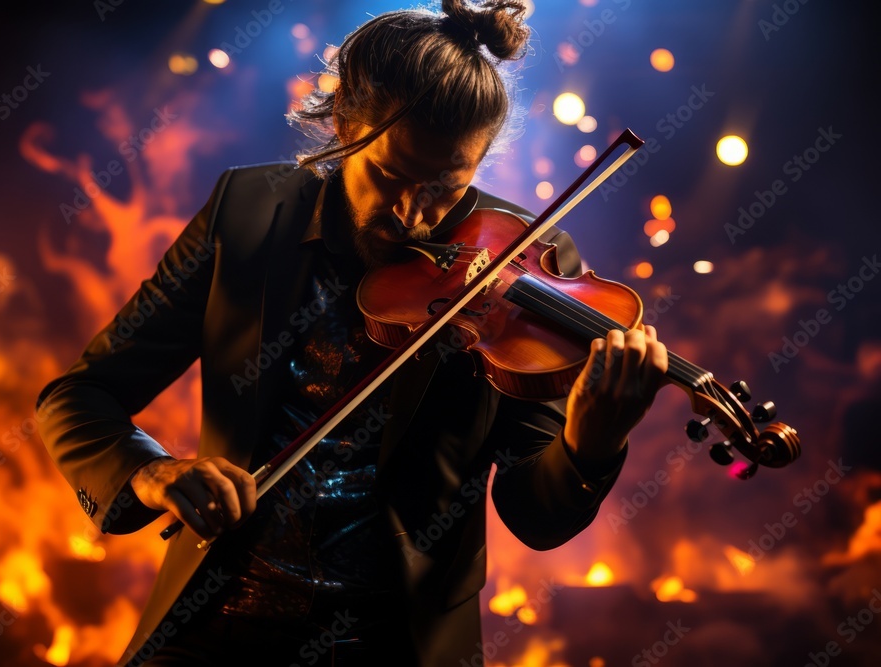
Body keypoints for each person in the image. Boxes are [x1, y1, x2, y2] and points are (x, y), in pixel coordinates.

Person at [36, 1, 668, 665]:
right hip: (214, 621)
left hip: (396, 642)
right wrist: (154, 472)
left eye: (446, 187)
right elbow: (80, 394)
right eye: (390, 176)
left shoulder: (525, 265)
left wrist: (591, 442)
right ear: (344, 123)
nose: (412, 216)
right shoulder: (247, 214)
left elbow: (534, 516)